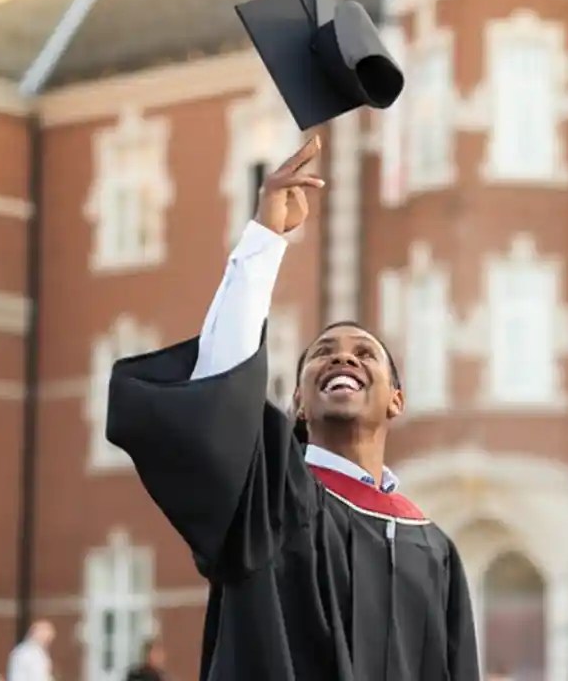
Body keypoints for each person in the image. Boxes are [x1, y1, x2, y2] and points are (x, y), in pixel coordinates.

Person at [107, 135, 480, 680]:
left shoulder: (435, 550)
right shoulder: (270, 500)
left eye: (364, 354)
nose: (343, 359)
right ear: (297, 401)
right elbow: (220, 392)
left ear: (396, 400)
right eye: (322, 355)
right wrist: (265, 240)